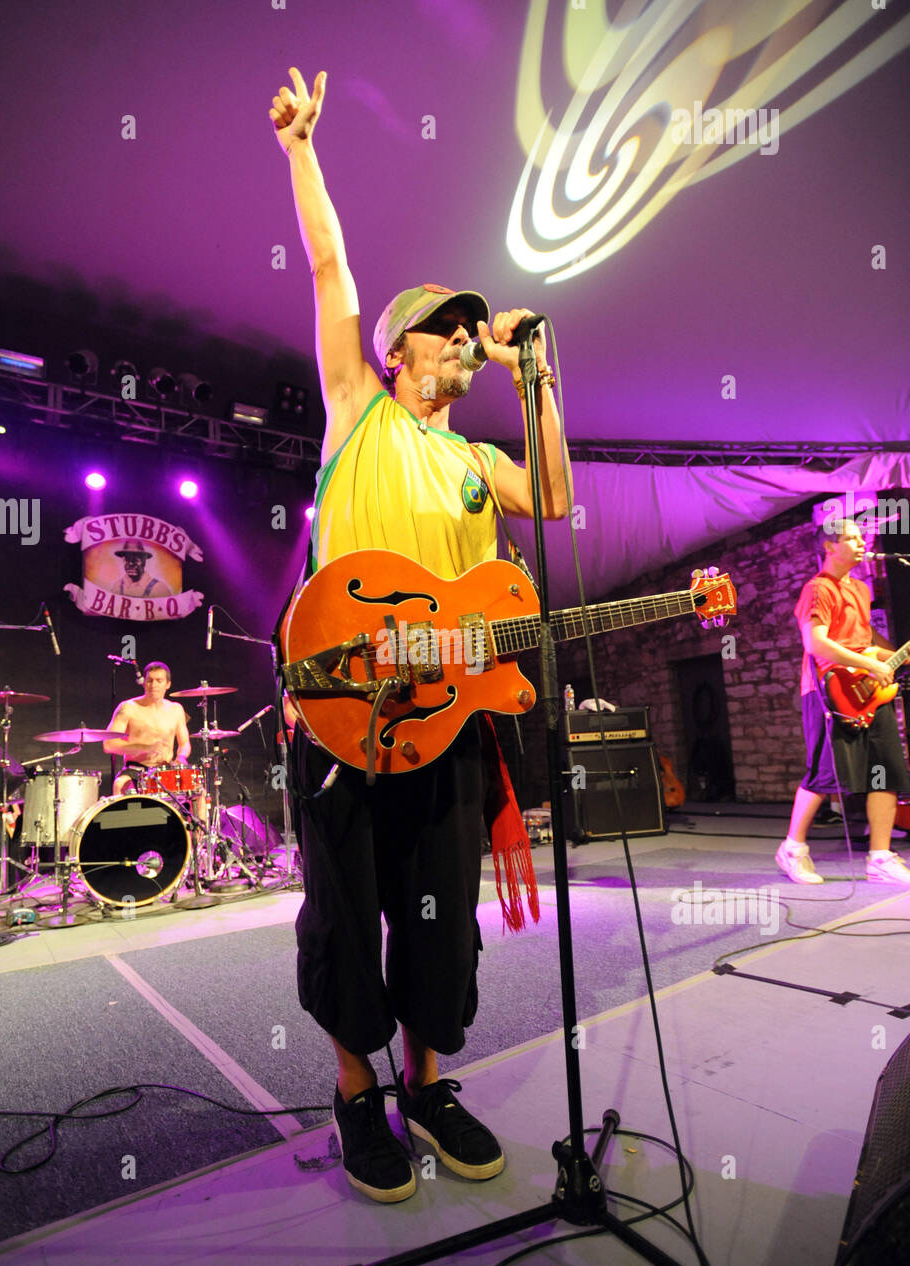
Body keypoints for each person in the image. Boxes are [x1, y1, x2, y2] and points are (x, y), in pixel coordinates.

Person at [270, 67, 570, 1202]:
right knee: (348, 910)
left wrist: (536, 372)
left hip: (444, 716)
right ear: (397, 350)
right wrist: (304, 150)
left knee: (438, 918)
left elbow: (554, 494)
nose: (457, 341)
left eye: (466, 332)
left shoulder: (476, 459)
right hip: (347, 704)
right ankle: (357, 1094)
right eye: (440, 330)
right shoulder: (360, 405)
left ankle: (428, 1081)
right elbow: (331, 268)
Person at [775, 518, 910, 885]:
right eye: (851, 538)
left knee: (884, 768)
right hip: (829, 692)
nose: (862, 542)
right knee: (824, 773)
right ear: (829, 547)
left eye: (862, 537)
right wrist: (869, 662)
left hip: (870, 689)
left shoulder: (862, 589)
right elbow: (815, 643)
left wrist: (889, 656)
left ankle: (879, 857)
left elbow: (862, 640)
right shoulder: (818, 589)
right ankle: (792, 849)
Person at [103, 662, 191, 795]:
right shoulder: (128, 707)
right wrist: (146, 747)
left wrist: (181, 756)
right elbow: (109, 745)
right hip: (136, 770)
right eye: (150, 680)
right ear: (144, 683)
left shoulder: (176, 709)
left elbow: (184, 743)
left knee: (198, 791)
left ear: (168, 684)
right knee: (119, 784)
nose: (153, 685)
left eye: (159, 680)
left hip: (166, 770)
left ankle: (199, 817)